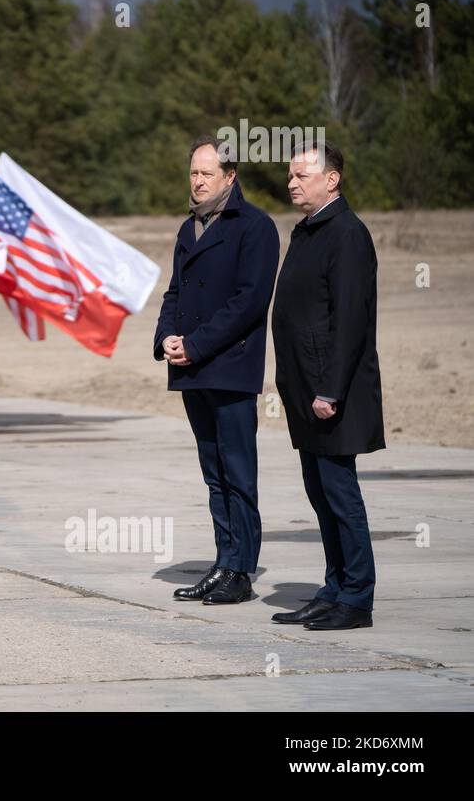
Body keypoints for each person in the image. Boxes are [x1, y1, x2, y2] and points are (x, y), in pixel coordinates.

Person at [154, 136, 279, 604]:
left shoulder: (256, 227)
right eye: (193, 172)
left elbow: (248, 303)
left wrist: (196, 345)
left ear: (230, 176)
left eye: (208, 173)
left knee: (238, 474)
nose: (198, 180)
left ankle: (241, 573)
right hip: (193, 369)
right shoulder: (189, 230)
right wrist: (165, 338)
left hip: (229, 368)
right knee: (214, 475)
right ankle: (223, 563)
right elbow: (174, 293)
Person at [270, 141, 383, 630]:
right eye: (290, 175)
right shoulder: (309, 231)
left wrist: (330, 391)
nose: (292, 182)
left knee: (340, 494)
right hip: (304, 390)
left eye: (301, 175)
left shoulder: (347, 235)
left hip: (332, 394)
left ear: (331, 179)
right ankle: (334, 587)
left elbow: (350, 322)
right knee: (320, 493)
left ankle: (356, 598)